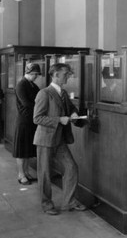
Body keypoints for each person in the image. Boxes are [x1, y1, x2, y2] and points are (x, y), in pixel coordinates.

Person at [33, 63, 87, 215]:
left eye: (68, 74)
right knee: (44, 173)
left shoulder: (62, 93)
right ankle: (47, 204)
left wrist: (75, 114)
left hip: (60, 140)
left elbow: (71, 108)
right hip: (45, 140)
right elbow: (37, 118)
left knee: (71, 168)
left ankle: (69, 202)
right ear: (55, 75)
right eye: (65, 75)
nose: (68, 77)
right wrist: (58, 119)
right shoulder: (44, 93)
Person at [13, 63, 41, 185]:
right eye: (34, 74)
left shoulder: (33, 86)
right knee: (21, 150)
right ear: (28, 72)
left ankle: (26, 172)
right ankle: (21, 174)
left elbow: (39, 99)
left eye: (37, 74)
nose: (36, 76)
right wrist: (39, 108)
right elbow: (26, 103)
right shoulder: (21, 85)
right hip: (23, 121)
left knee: (28, 150)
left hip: (32, 121)